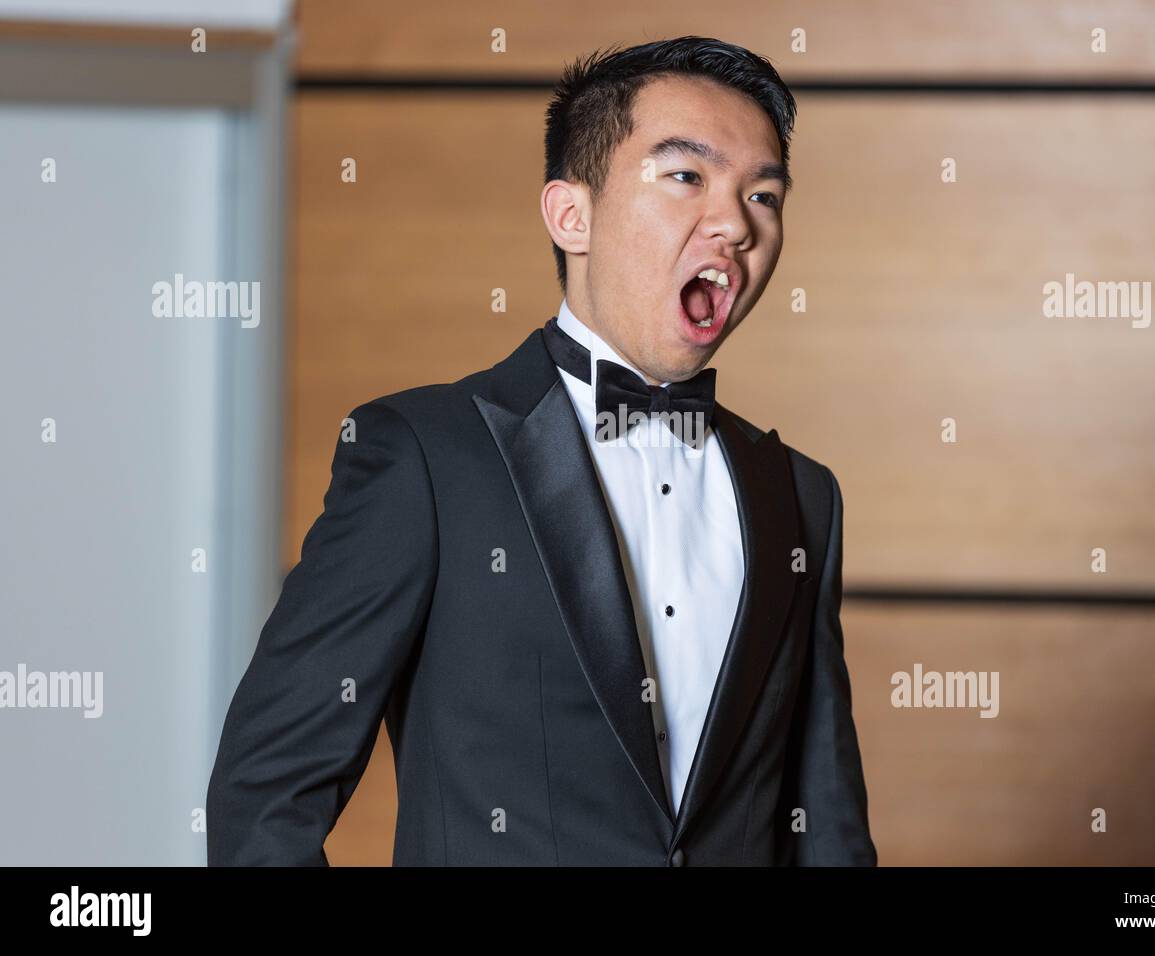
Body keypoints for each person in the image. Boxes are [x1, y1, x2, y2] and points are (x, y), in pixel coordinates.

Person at [206, 35, 877, 867]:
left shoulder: (800, 496)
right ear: (572, 214)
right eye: (687, 177)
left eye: (764, 195)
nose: (736, 224)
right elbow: (266, 793)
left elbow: (828, 825)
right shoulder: (423, 457)